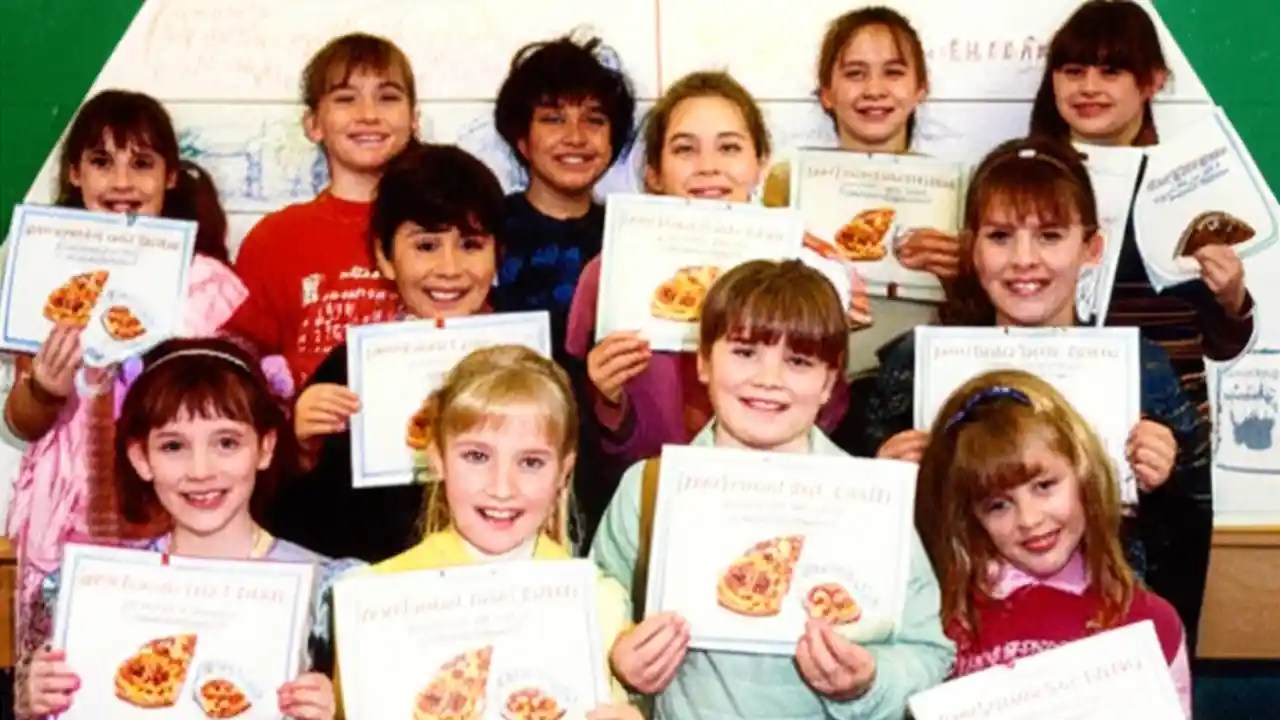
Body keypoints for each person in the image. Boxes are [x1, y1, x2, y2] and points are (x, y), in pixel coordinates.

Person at [592, 259, 953, 719]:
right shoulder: (647, 490)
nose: (768, 379)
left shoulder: (871, 502)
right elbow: (592, 623)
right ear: (703, 361)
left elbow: (929, 652)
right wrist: (618, 662)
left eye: (798, 361)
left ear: (829, 382)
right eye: (745, 352)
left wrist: (869, 680)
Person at [3, 90, 261, 668]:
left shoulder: (208, 283)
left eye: (141, 163)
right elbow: (21, 420)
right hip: (67, 518)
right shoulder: (47, 276)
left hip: (178, 507)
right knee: (69, 676)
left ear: (170, 176)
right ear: (75, 174)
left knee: (166, 662)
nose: (122, 181)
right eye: (102, 161)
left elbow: (237, 413)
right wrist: (45, 388)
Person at [1030, 0, 1251, 642]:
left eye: (1111, 71)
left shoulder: (1190, 185)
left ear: (1152, 81)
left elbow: (1225, 341)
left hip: (1167, 442)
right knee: (1045, 631)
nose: (1088, 87)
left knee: (1162, 634)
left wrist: (1232, 297)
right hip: (1049, 431)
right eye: (1073, 70)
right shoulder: (1025, 178)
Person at [565, 71, 852, 537]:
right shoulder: (609, 273)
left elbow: (830, 420)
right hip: (651, 515)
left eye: (729, 147)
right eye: (685, 149)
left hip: (780, 508)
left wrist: (832, 334)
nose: (708, 166)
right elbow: (587, 453)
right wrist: (604, 399)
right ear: (654, 173)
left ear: (760, 162)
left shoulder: (807, 268)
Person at [18, 339, 349, 720]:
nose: (201, 471)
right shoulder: (93, 592)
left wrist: (342, 713)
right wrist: (34, 704)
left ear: (265, 448)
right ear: (141, 458)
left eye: (227, 443)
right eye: (174, 446)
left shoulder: (330, 594)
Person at [327, 345, 643, 720]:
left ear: (563, 471)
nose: (502, 488)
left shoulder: (599, 603)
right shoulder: (374, 599)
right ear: (438, 458)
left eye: (530, 462)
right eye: (477, 457)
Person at [270, 143, 506, 562]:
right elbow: (301, 527)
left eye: (471, 245)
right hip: (380, 581)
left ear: (497, 254)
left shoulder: (528, 362)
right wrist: (302, 449)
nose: (449, 268)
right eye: (426, 246)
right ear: (385, 256)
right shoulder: (351, 368)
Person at [917, 369, 1190, 717]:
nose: (1029, 519)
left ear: (1083, 473)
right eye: (998, 505)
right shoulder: (940, 627)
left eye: (1044, 486)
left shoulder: (1150, 621)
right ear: (972, 517)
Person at [762, 6, 957, 376]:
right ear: (826, 93)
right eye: (855, 74)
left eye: (893, 73)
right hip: (810, 380)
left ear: (921, 88)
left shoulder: (956, 192)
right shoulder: (785, 184)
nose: (874, 90)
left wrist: (962, 278)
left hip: (918, 378)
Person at [226, 33, 419, 388]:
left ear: (414, 118)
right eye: (346, 99)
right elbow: (242, 363)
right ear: (313, 124)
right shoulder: (275, 238)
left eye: (388, 97)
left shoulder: (445, 226)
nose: (369, 115)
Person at [491, 32, 636, 358]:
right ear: (522, 139)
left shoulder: (630, 237)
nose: (575, 137)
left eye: (594, 120)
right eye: (553, 119)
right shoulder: (485, 229)